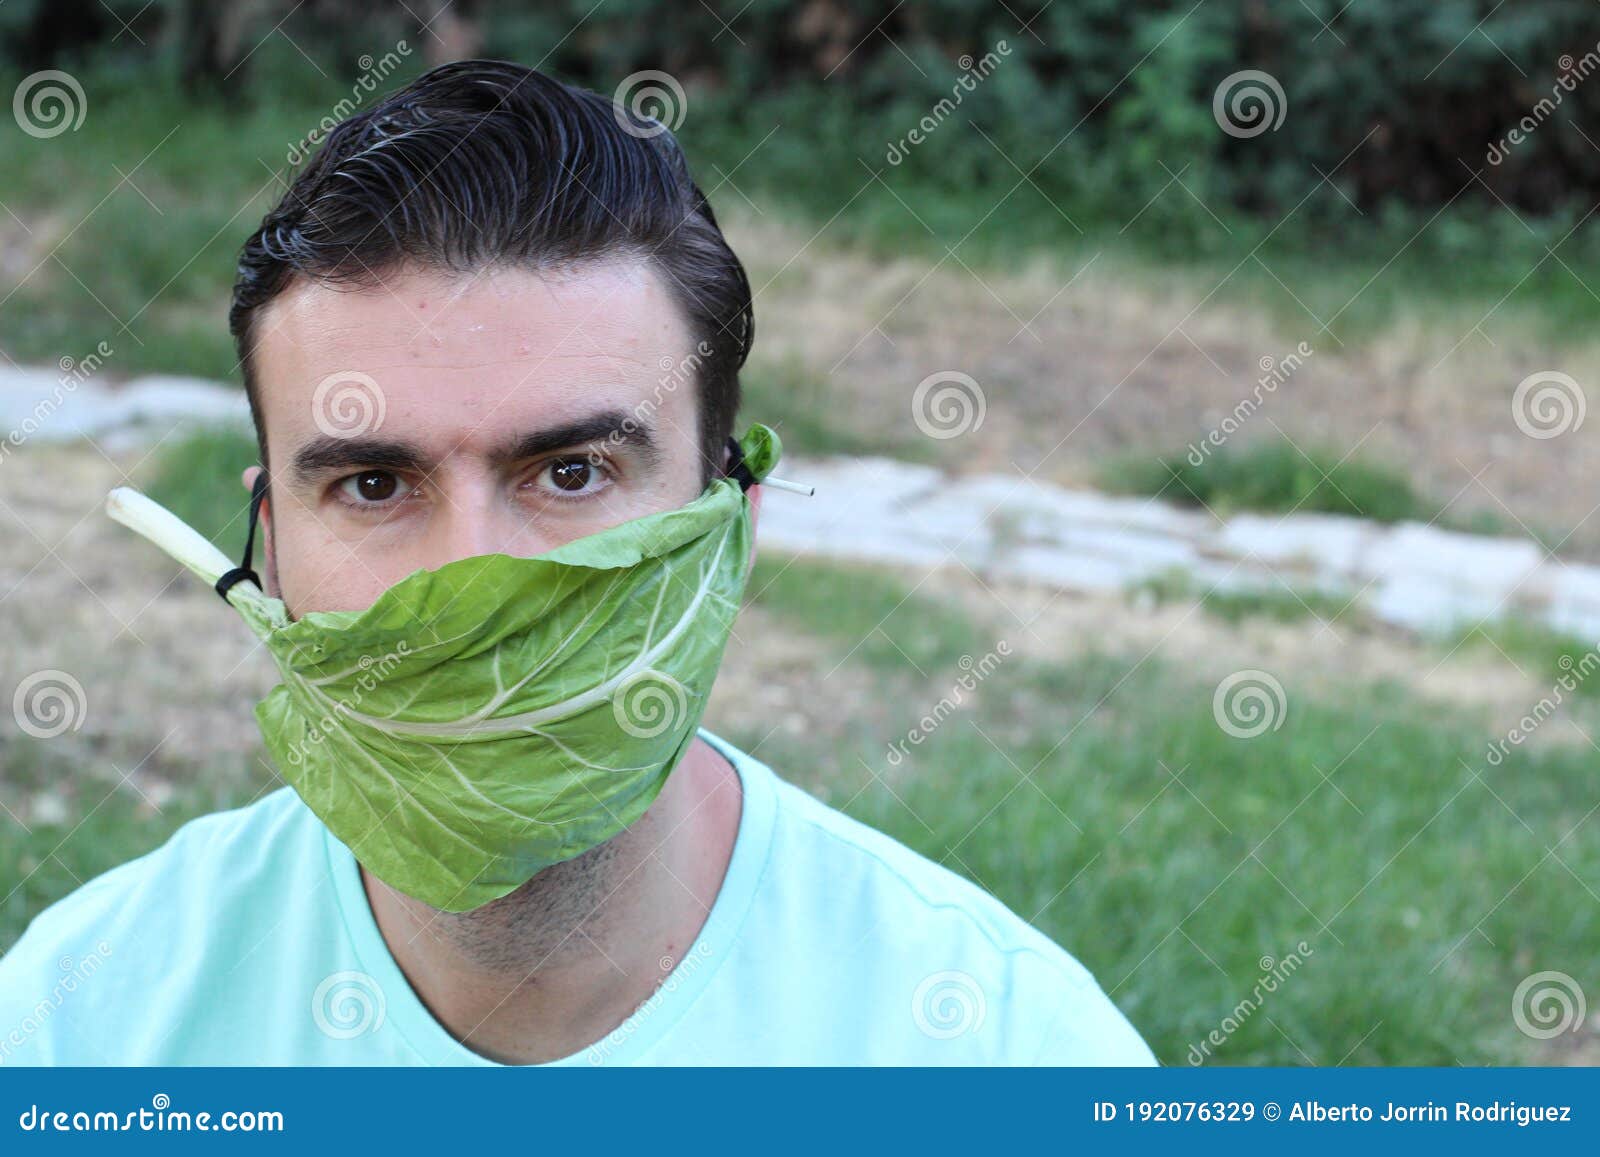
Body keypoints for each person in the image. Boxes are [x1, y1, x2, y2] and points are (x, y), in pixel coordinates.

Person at [0, 60, 1153, 1067]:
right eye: (373, 484)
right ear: (269, 544)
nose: (475, 583)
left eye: (569, 472)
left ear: (732, 526)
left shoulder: (1004, 1056)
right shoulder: (78, 1028)